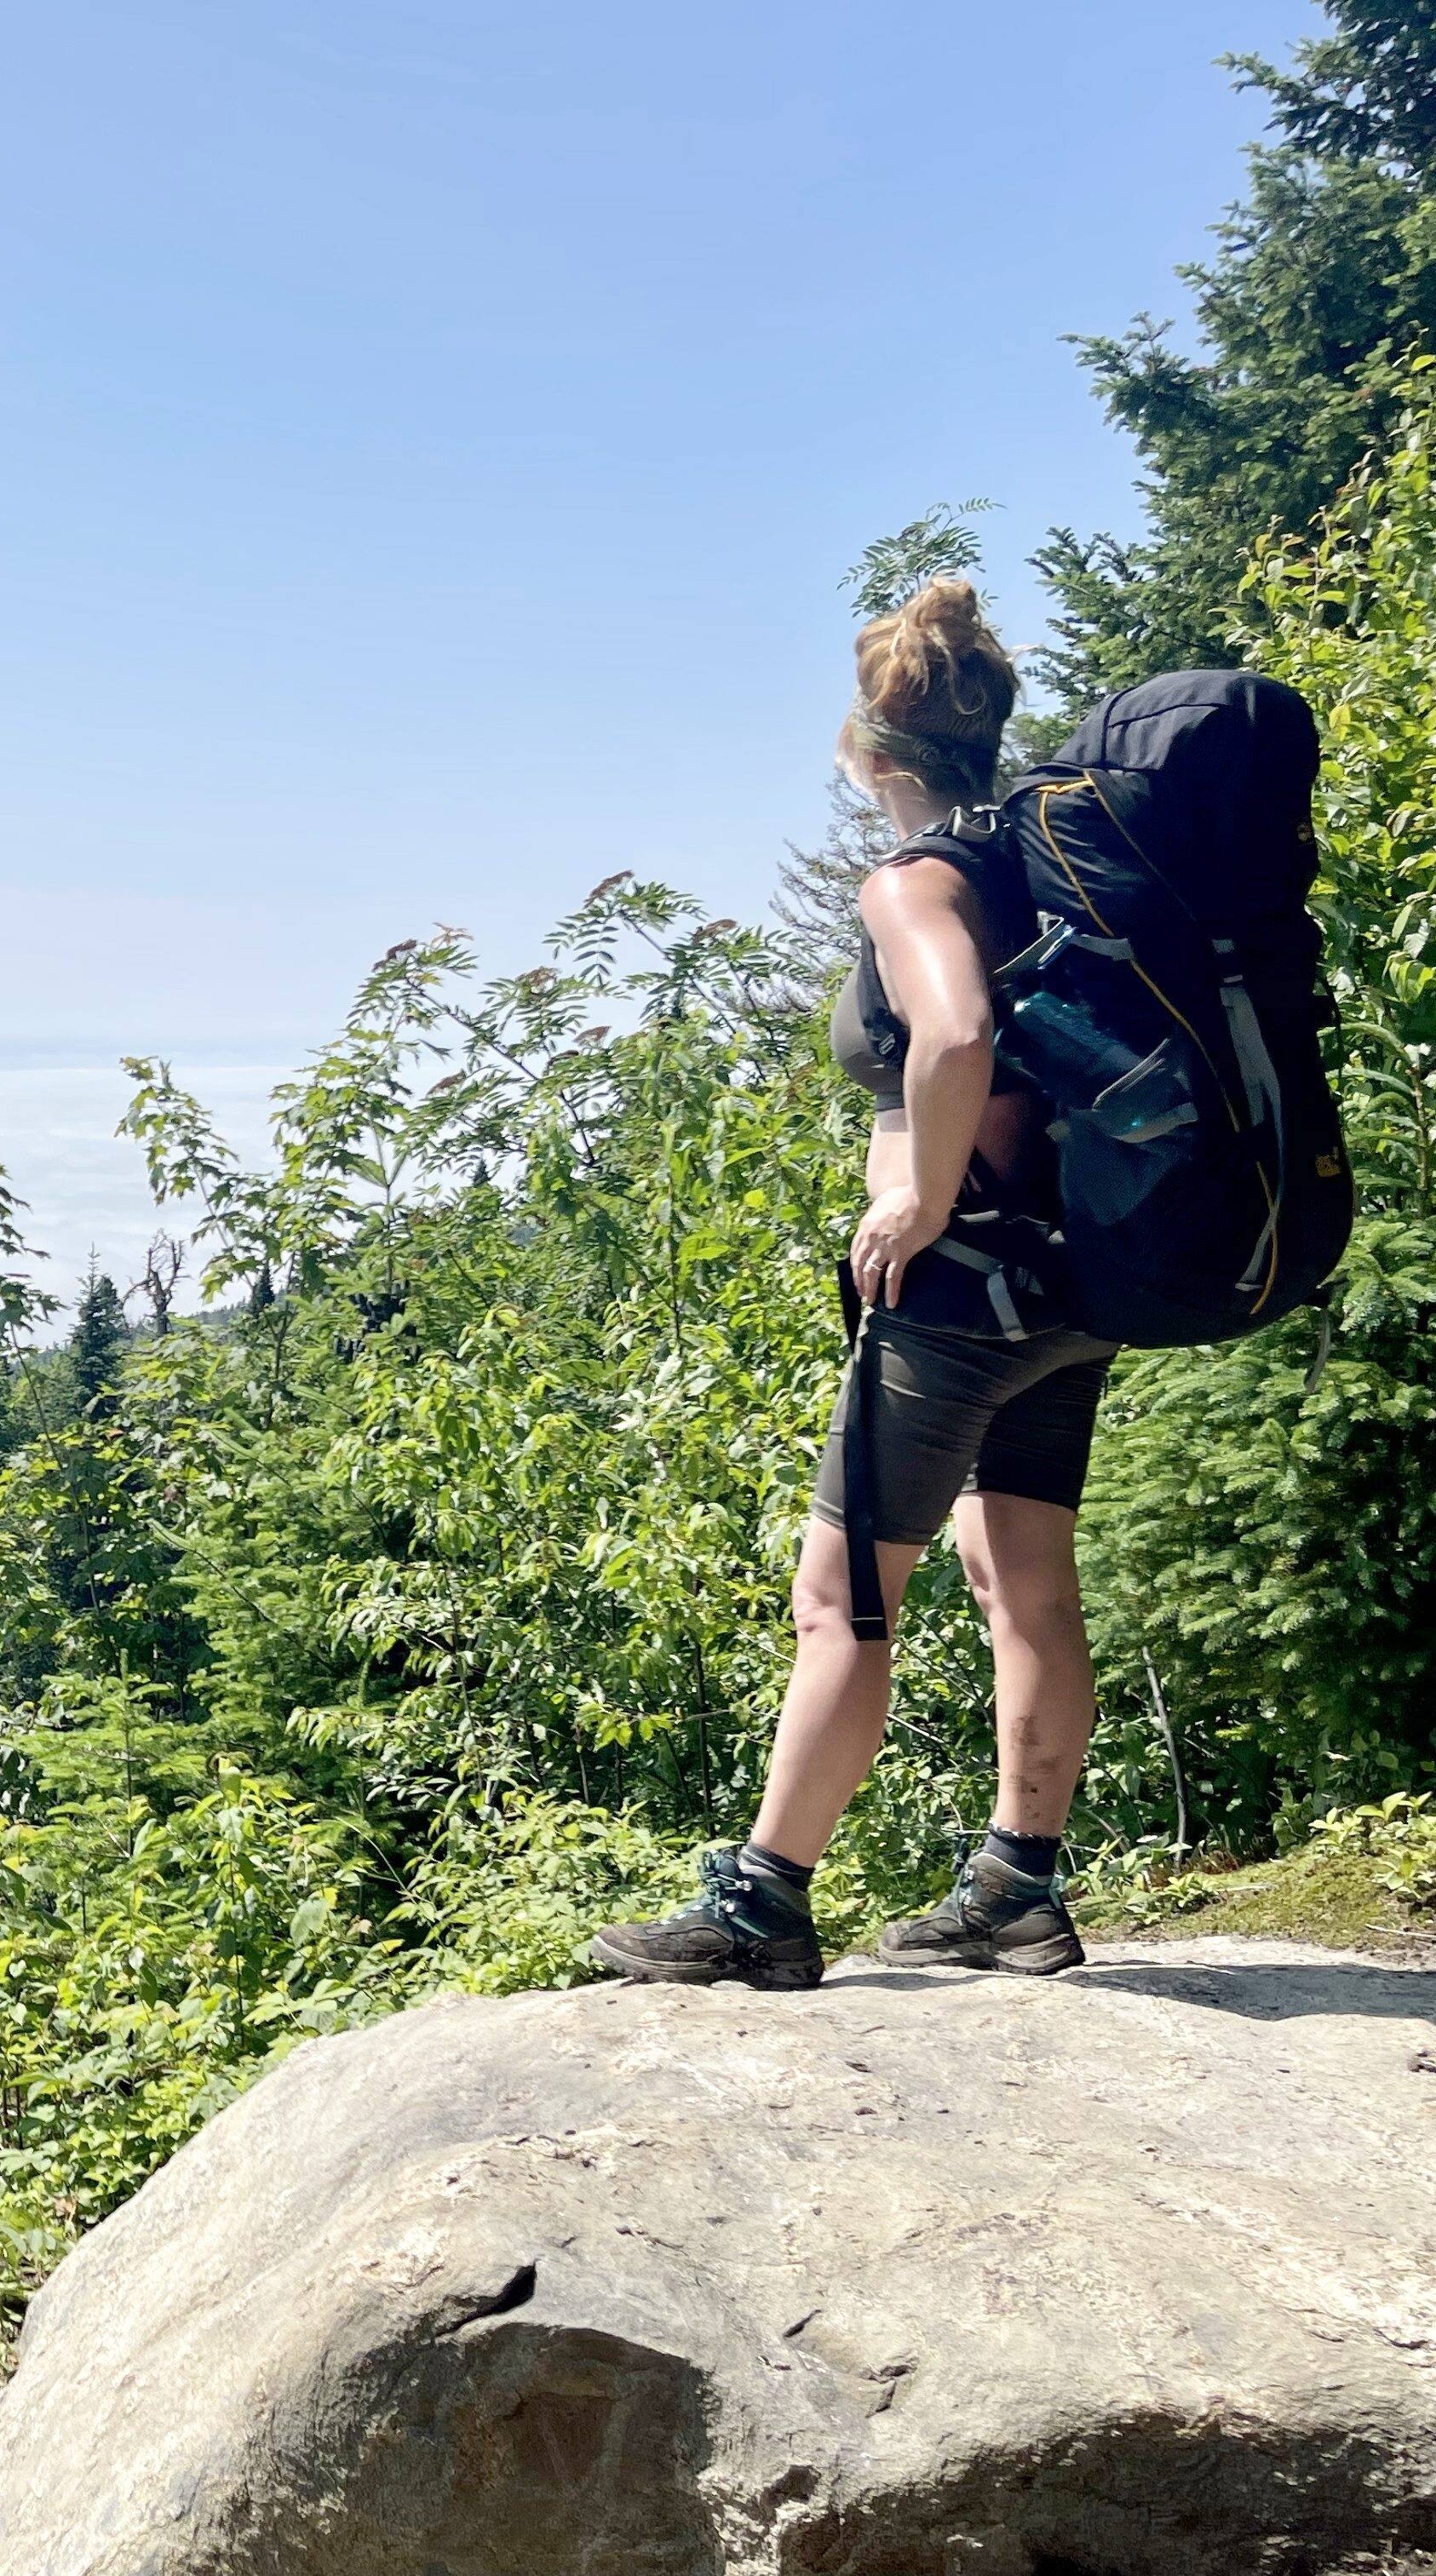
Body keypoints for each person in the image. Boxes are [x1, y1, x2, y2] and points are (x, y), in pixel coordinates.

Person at [591, 579, 1105, 1991]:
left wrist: (921, 1196)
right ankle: (1018, 1888)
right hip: (1072, 1282)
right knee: (1025, 1582)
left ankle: (763, 1906)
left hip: (958, 1291)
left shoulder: (917, 878)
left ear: (871, 753)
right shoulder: (1048, 861)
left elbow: (957, 1033)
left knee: (842, 1601)